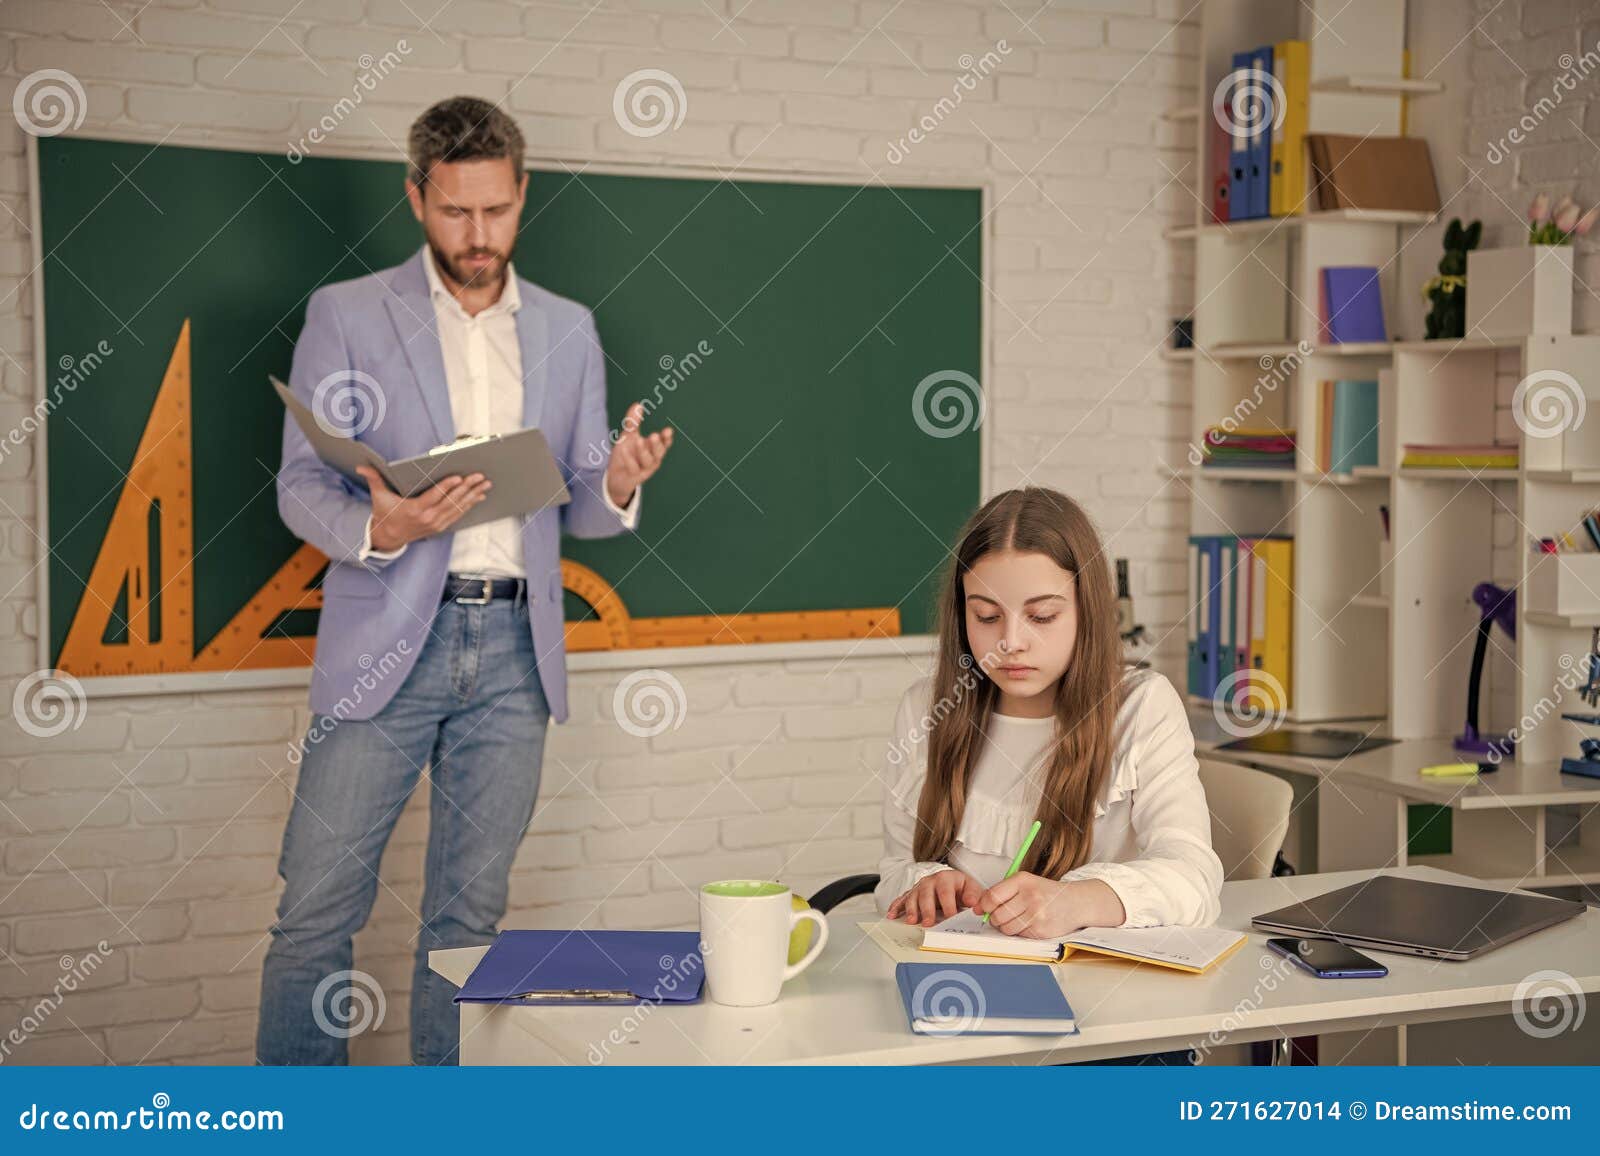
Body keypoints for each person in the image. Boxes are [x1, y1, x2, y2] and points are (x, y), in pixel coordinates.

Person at [257, 96, 672, 1066]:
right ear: (416, 197)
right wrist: (380, 525)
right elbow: (299, 482)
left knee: (471, 923)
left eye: (495, 211)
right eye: (454, 212)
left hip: (516, 654)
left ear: (521, 195)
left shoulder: (569, 331)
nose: (477, 236)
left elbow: (578, 497)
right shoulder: (348, 315)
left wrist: (613, 482)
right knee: (316, 910)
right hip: (384, 639)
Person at [876, 486, 1223, 938]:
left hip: (1101, 990)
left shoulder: (1141, 706)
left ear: (1087, 612)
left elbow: (1194, 879)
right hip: (957, 976)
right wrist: (923, 884)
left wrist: (1076, 900)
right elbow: (892, 872)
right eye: (985, 616)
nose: (1010, 641)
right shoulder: (926, 708)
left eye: (1041, 617)